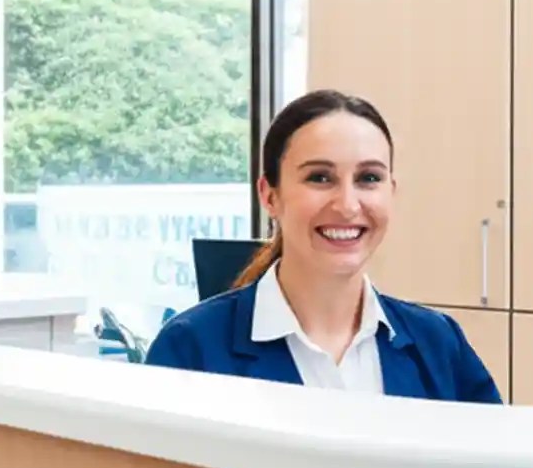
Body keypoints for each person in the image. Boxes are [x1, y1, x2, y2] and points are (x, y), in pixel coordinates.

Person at [144, 89, 502, 403]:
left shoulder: (439, 343)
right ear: (269, 196)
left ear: (391, 191)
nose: (347, 205)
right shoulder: (190, 349)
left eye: (369, 178)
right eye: (320, 177)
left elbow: (492, 458)